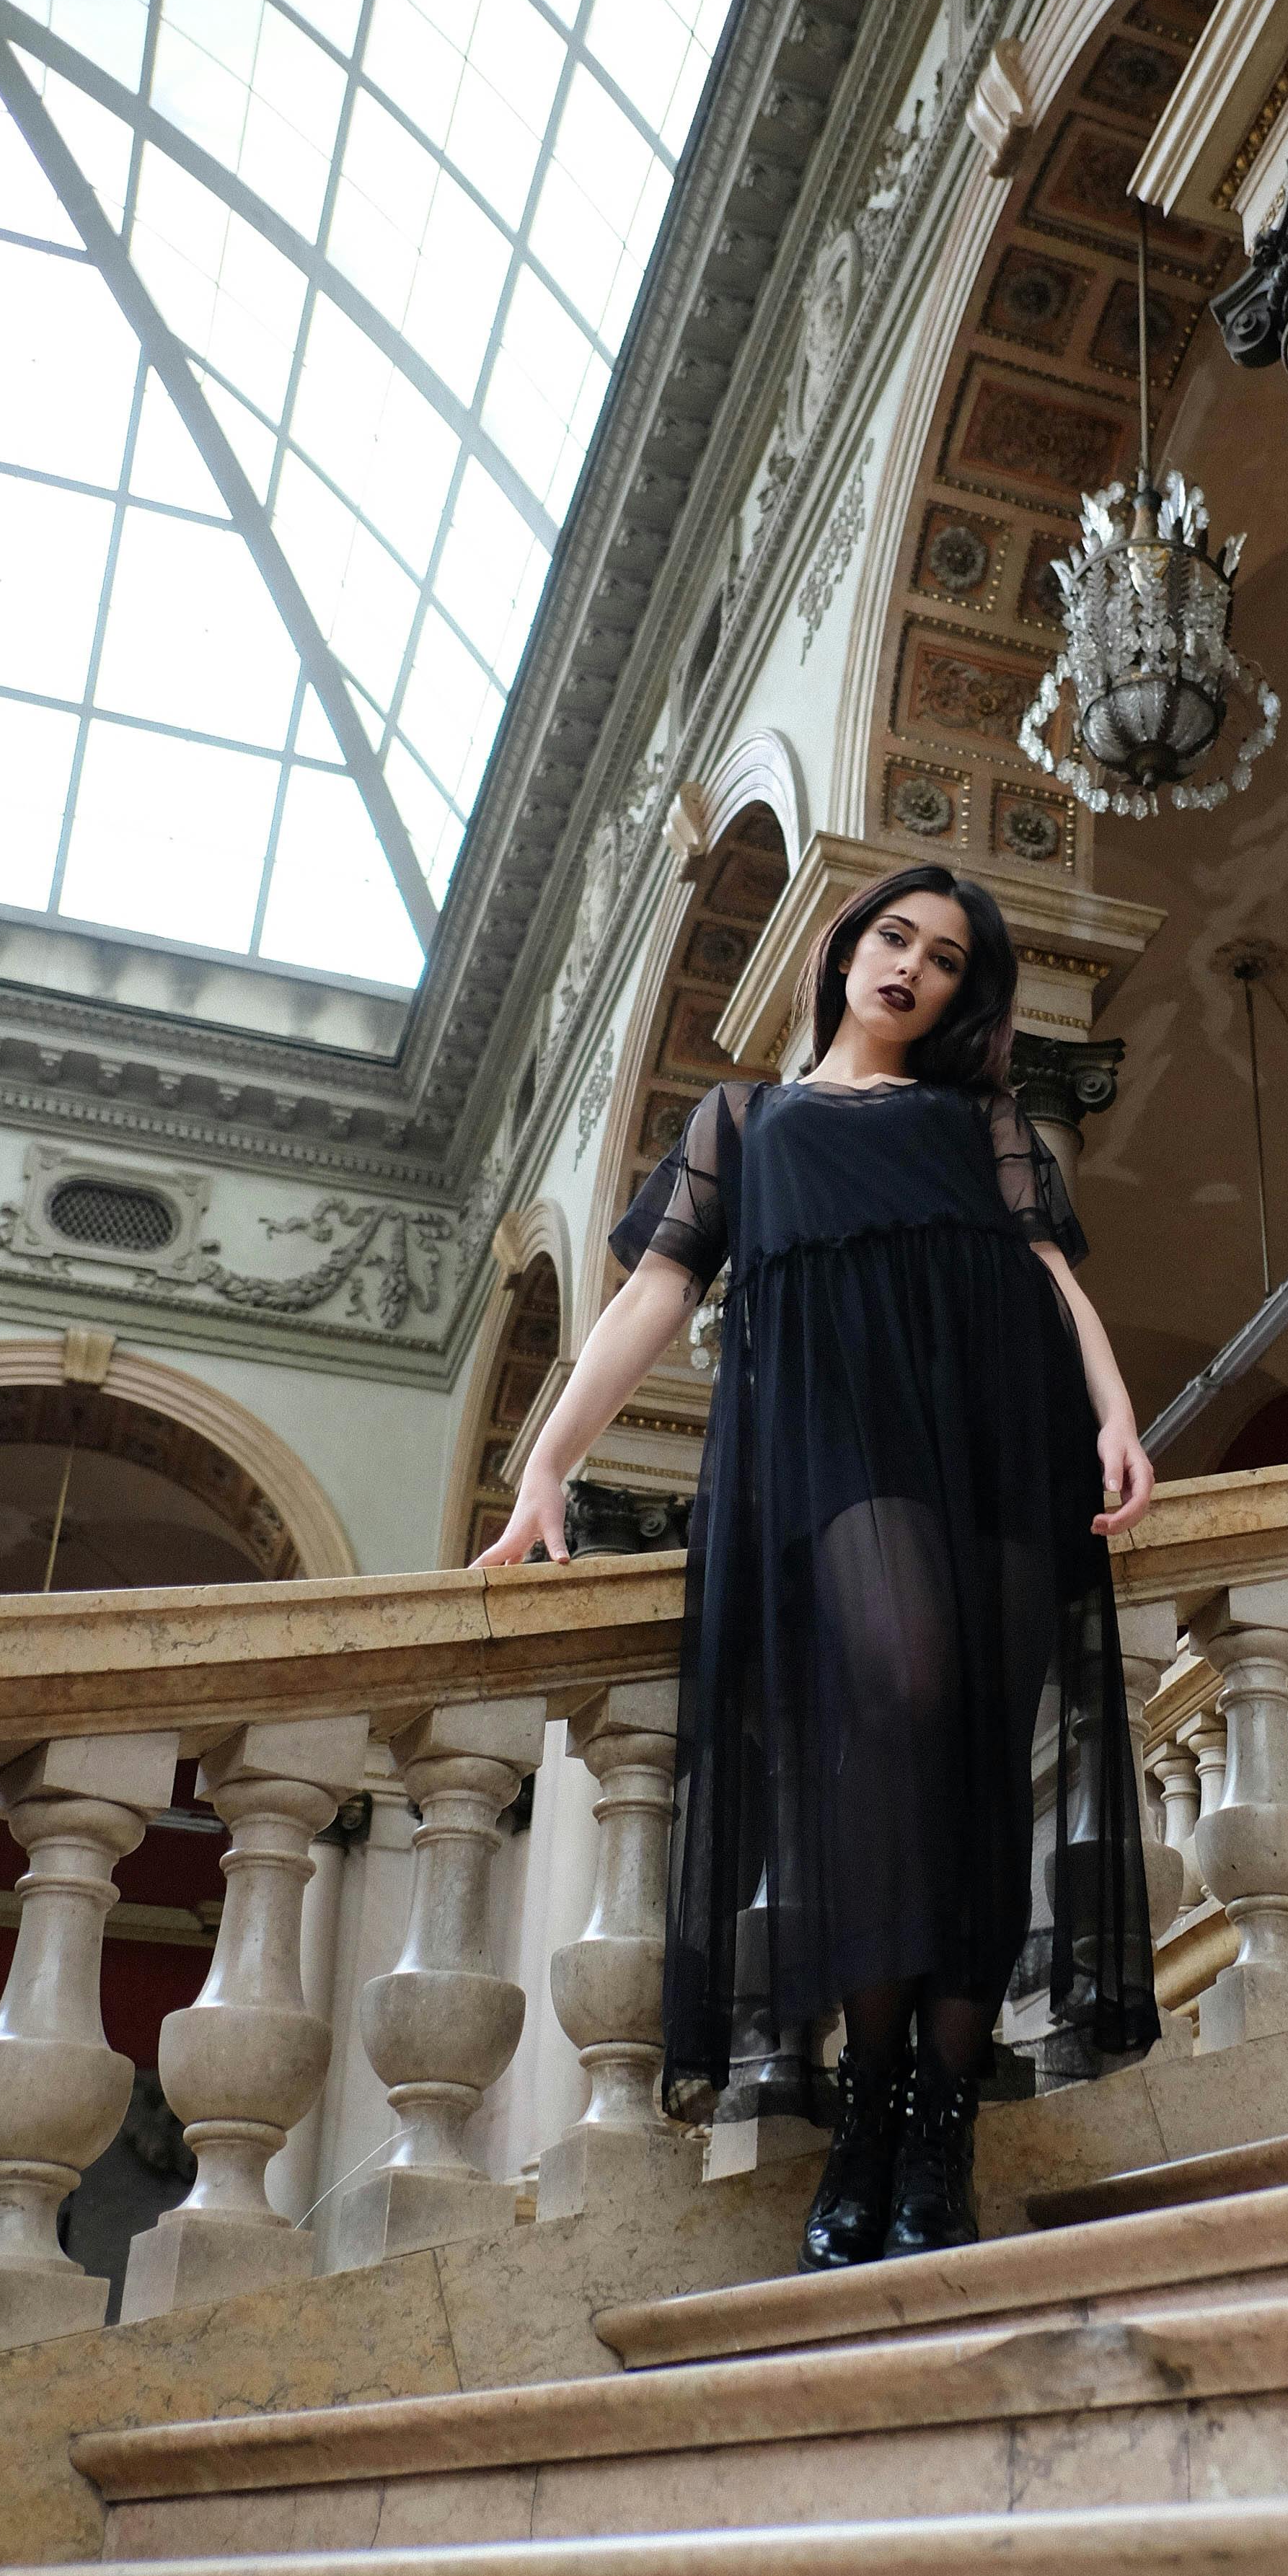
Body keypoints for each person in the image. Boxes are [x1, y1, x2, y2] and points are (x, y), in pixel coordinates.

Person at [479, 862, 1159, 2268]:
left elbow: (1047, 1273)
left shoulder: (983, 1122)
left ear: (967, 994)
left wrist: (1114, 1414)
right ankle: (864, 2109)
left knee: (978, 1768)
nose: (915, 966)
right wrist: (549, 1462)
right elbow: (652, 1297)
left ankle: (936, 2130)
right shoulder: (747, 1125)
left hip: (1005, 1441)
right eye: (895, 937)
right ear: (847, 951)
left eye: (950, 958)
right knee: (903, 1709)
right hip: (846, 1447)